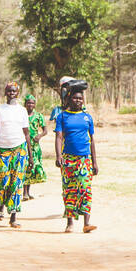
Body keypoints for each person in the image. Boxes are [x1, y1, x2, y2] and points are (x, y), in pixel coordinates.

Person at [55, 84, 98, 233]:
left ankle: (87, 223)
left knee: (86, 189)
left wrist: (95, 162)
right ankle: (70, 222)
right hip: (68, 159)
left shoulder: (87, 117)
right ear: (69, 99)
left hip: (85, 159)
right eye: (75, 98)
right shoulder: (62, 116)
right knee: (69, 190)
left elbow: (92, 140)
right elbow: (59, 137)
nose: (78, 100)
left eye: (80, 98)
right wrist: (58, 156)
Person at [0, 81, 30, 229]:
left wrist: (30, 156)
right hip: (3, 150)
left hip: (20, 149)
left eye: (14, 91)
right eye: (9, 91)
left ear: (17, 93)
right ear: (5, 92)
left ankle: (13, 217)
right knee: (5, 180)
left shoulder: (22, 111)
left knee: (17, 183)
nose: (11, 93)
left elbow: (26, 134)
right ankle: (1, 204)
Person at [22, 94, 47, 201]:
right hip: (23, 145)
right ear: (25, 104)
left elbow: (45, 130)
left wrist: (39, 136)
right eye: (28, 103)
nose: (30, 105)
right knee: (24, 167)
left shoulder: (38, 116)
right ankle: (24, 192)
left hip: (34, 146)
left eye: (32, 103)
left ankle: (28, 192)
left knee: (32, 168)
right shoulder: (21, 115)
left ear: (34, 104)